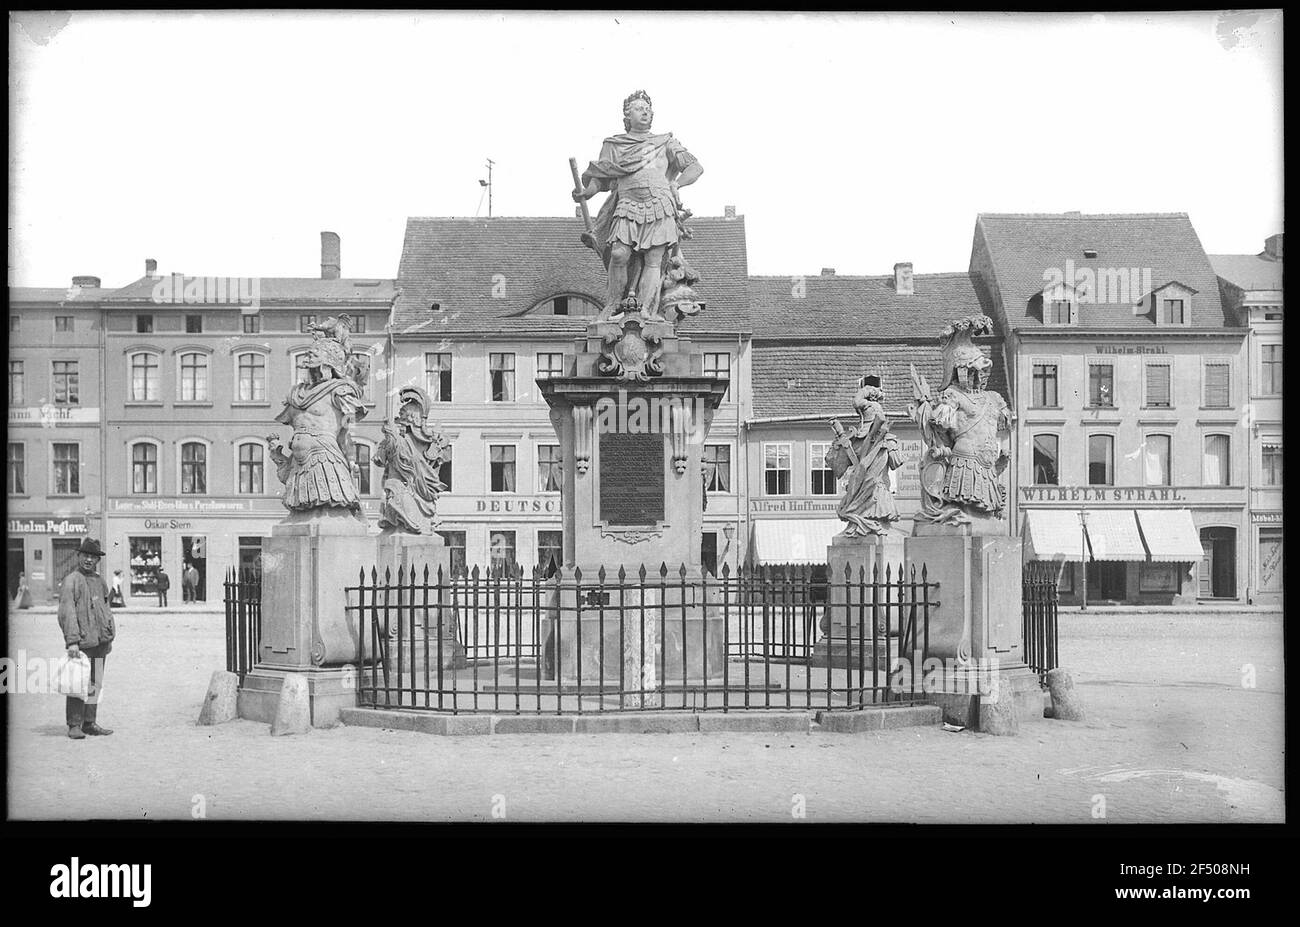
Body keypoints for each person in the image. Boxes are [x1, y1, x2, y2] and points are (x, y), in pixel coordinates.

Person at [574, 89, 703, 320]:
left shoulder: (665, 142)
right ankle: (613, 304)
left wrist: (677, 184)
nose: (646, 112)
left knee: (654, 260)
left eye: (648, 109)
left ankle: (646, 310)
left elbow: (695, 168)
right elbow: (601, 177)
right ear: (627, 115)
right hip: (627, 204)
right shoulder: (614, 145)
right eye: (639, 108)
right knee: (619, 254)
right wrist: (587, 192)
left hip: (659, 205)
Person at [268, 332, 368, 513]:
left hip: (325, 458)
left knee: (330, 508)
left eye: (314, 354)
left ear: (328, 361)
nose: (308, 357)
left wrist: (351, 459)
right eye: (308, 353)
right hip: (298, 465)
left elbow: (345, 432)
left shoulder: (339, 391)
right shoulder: (296, 394)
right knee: (302, 512)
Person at [57, 537, 115, 739]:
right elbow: (67, 612)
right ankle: (74, 724)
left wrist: (109, 636)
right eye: (86, 556)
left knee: (94, 683)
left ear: (98, 560)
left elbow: (106, 610)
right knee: (77, 682)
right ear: (79, 556)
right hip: (81, 643)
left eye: (93, 557)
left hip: (100, 642)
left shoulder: (100, 581)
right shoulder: (71, 580)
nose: (89, 560)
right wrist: (72, 641)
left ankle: (89, 722)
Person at [827, 385, 903, 537]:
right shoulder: (888, 440)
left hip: (860, 498)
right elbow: (896, 462)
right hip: (876, 496)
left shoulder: (853, 441)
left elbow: (837, 467)